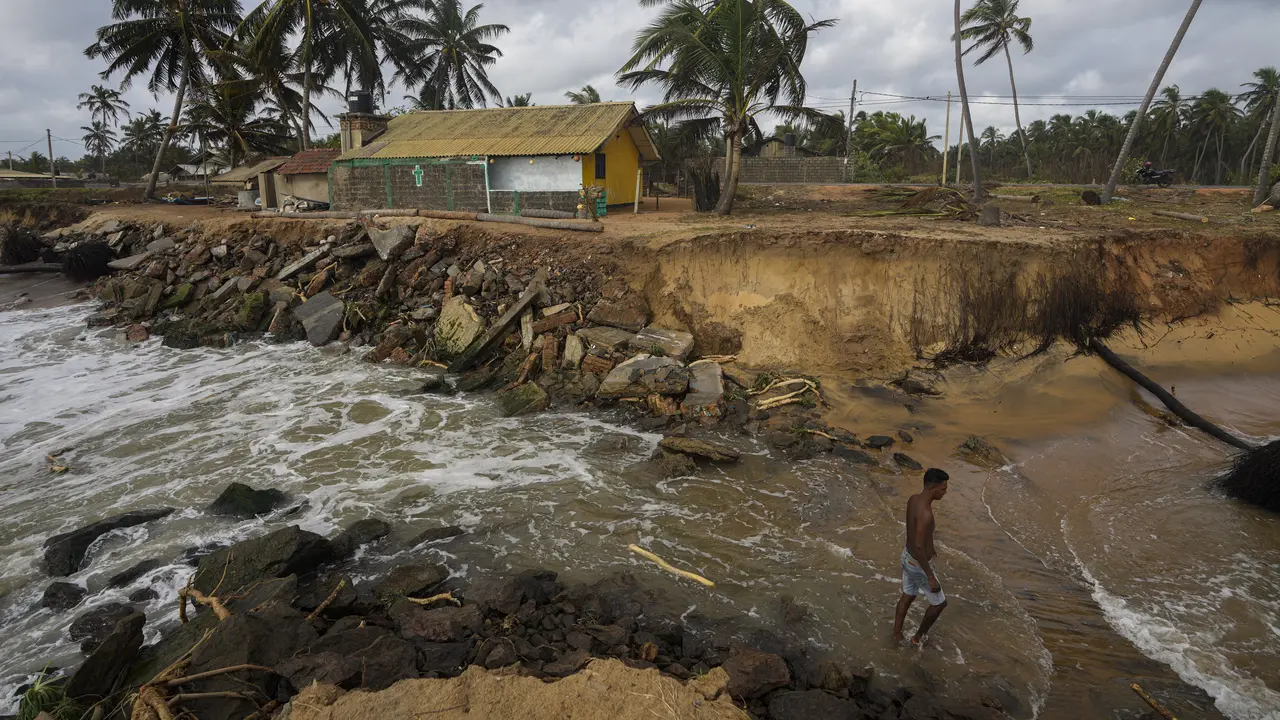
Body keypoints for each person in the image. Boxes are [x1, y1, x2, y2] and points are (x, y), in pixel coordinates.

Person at [892, 468, 950, 647]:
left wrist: (930, 548)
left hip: (906, 556)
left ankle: (896, 635)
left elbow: (916, 535)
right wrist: (930, 577)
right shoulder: (926, 513)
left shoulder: (913, 499)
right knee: (940, 604)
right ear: (933, 487)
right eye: (943, 489)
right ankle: (917, 639)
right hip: (918, 563)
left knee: (908, 595)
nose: (945, 492)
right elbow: (918, 544)